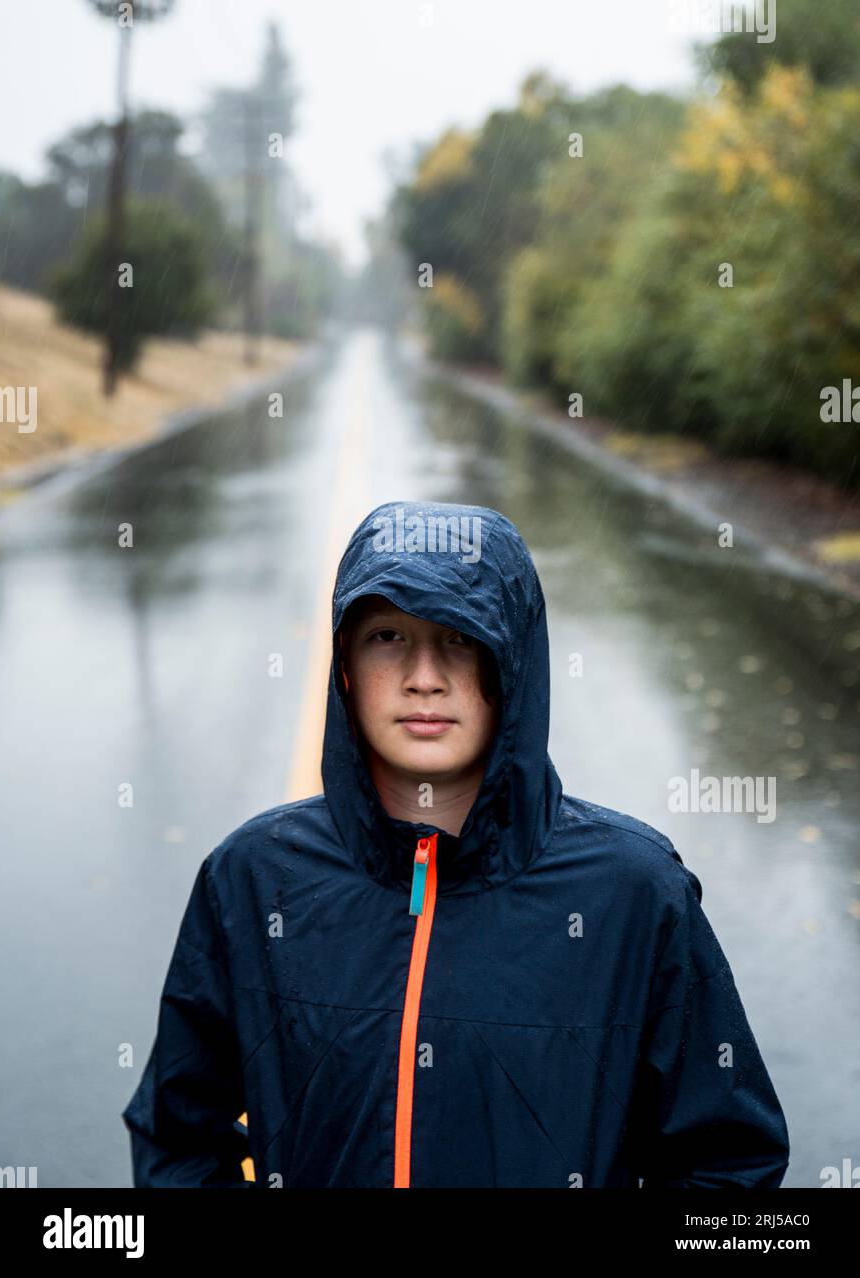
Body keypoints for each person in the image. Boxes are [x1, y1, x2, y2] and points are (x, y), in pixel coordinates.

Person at [122, 499, 790, 1188]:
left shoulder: (633, 891)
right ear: (344, 667)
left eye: (462, 638)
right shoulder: (253, 878)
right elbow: (177, 1136)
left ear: (514, 663)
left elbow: (729, 1161)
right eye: (387, 637)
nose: (424, 677)